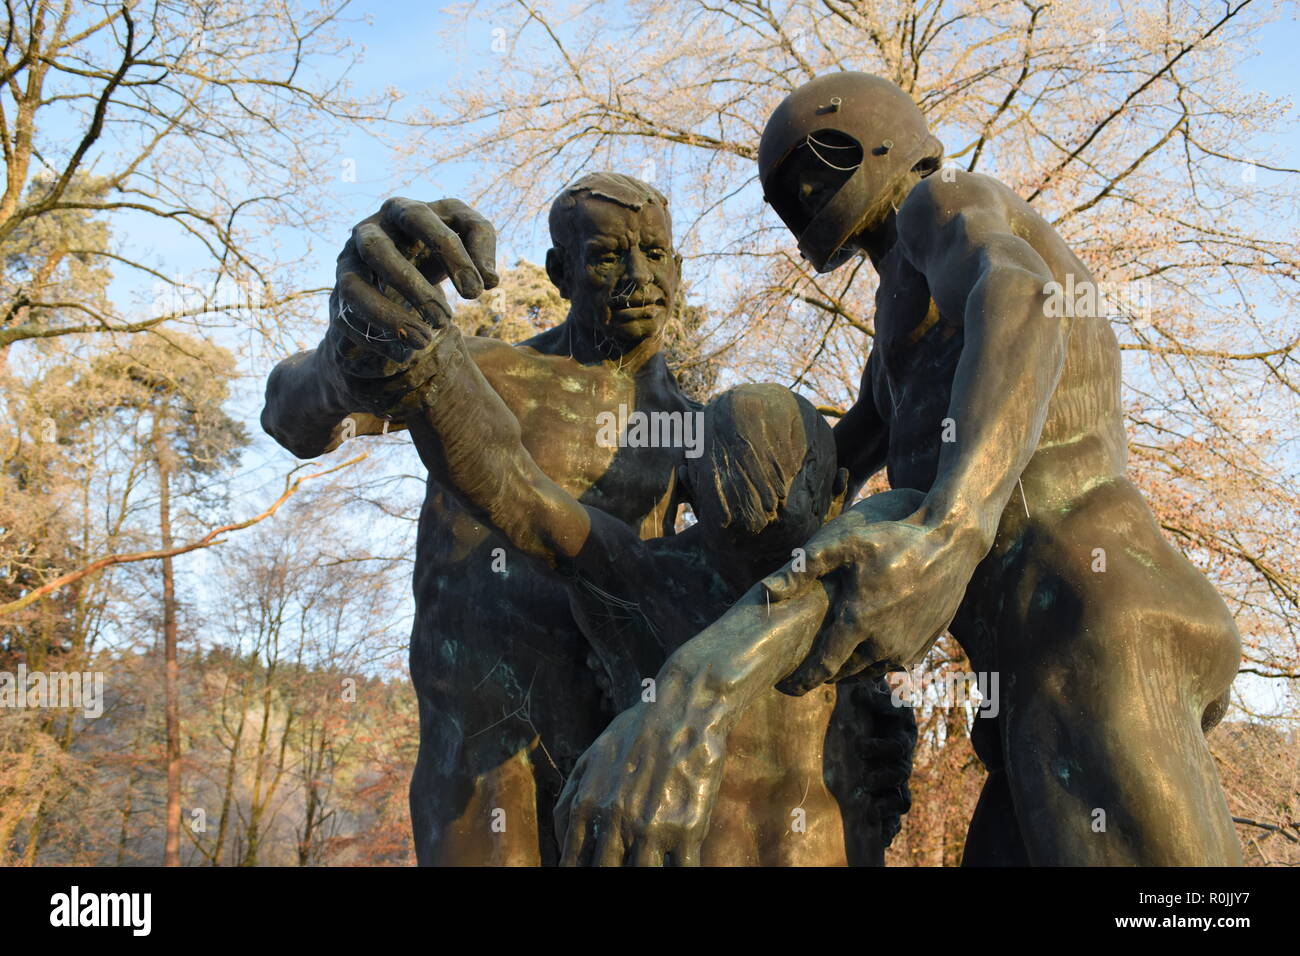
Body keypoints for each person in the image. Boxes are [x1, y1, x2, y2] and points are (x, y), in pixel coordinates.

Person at [559, 72, 1242, 866]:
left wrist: (956, 522)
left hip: (1096, 621)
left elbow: (1019, 297)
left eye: (815, 170)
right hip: (1032, 667)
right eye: (791, 191)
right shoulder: (900, 323)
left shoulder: (943, 202)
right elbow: (830, 468)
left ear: (872, 141)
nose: (807, 198)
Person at [262, 173, 698, 865]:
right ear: (562, 271)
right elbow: (293, 417)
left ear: (678, 269)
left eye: (655, 253)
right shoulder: (482, 372)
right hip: (481, 742)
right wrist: (353, 351)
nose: (638, 276)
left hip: (616, 744)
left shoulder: (694, 431)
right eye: (609, 255)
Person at [392, 326, 916, 863]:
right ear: (836, 491)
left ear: (685, 489)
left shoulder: (642, 579)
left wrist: (424, 363)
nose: (769, 503)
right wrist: (426, 364)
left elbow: (512, 487)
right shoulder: (855, 589)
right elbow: (511, 488)